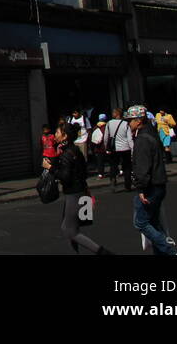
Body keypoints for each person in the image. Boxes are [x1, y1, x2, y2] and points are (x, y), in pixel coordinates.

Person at [45, 120, 110, 255]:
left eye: (57, 132)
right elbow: (83, 172)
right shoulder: (75, 151)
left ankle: (102, 252)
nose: (54, 135)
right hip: (81, 191)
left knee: (69, 230)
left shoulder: (66, 153)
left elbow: (65, 176)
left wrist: (50, 168)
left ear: (65, 136)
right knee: (69, 228)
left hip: (74, 194)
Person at [128, 104, 177, 255]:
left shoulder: (142, 139)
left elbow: (143, 167)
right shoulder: (152, 134)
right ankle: (162, 251)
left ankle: (168, 249)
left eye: (130, 120)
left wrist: (141, 188)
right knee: (154, 222)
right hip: (159, 183)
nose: (129, 123)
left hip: (150, 186)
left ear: (138, 121)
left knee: (141, 222)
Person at [105, 108, 133, 190]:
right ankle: (128, 184)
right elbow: (129, 138)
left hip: (114, 148)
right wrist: (132, 149)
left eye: (114, 112)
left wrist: (106, 147)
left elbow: (106, 137)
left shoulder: (109, 123)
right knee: (127, 166)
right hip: (125, 148)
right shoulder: (125, 124)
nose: (112, 114)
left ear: (117, 114)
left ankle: (113, 179)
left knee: (113, 165)